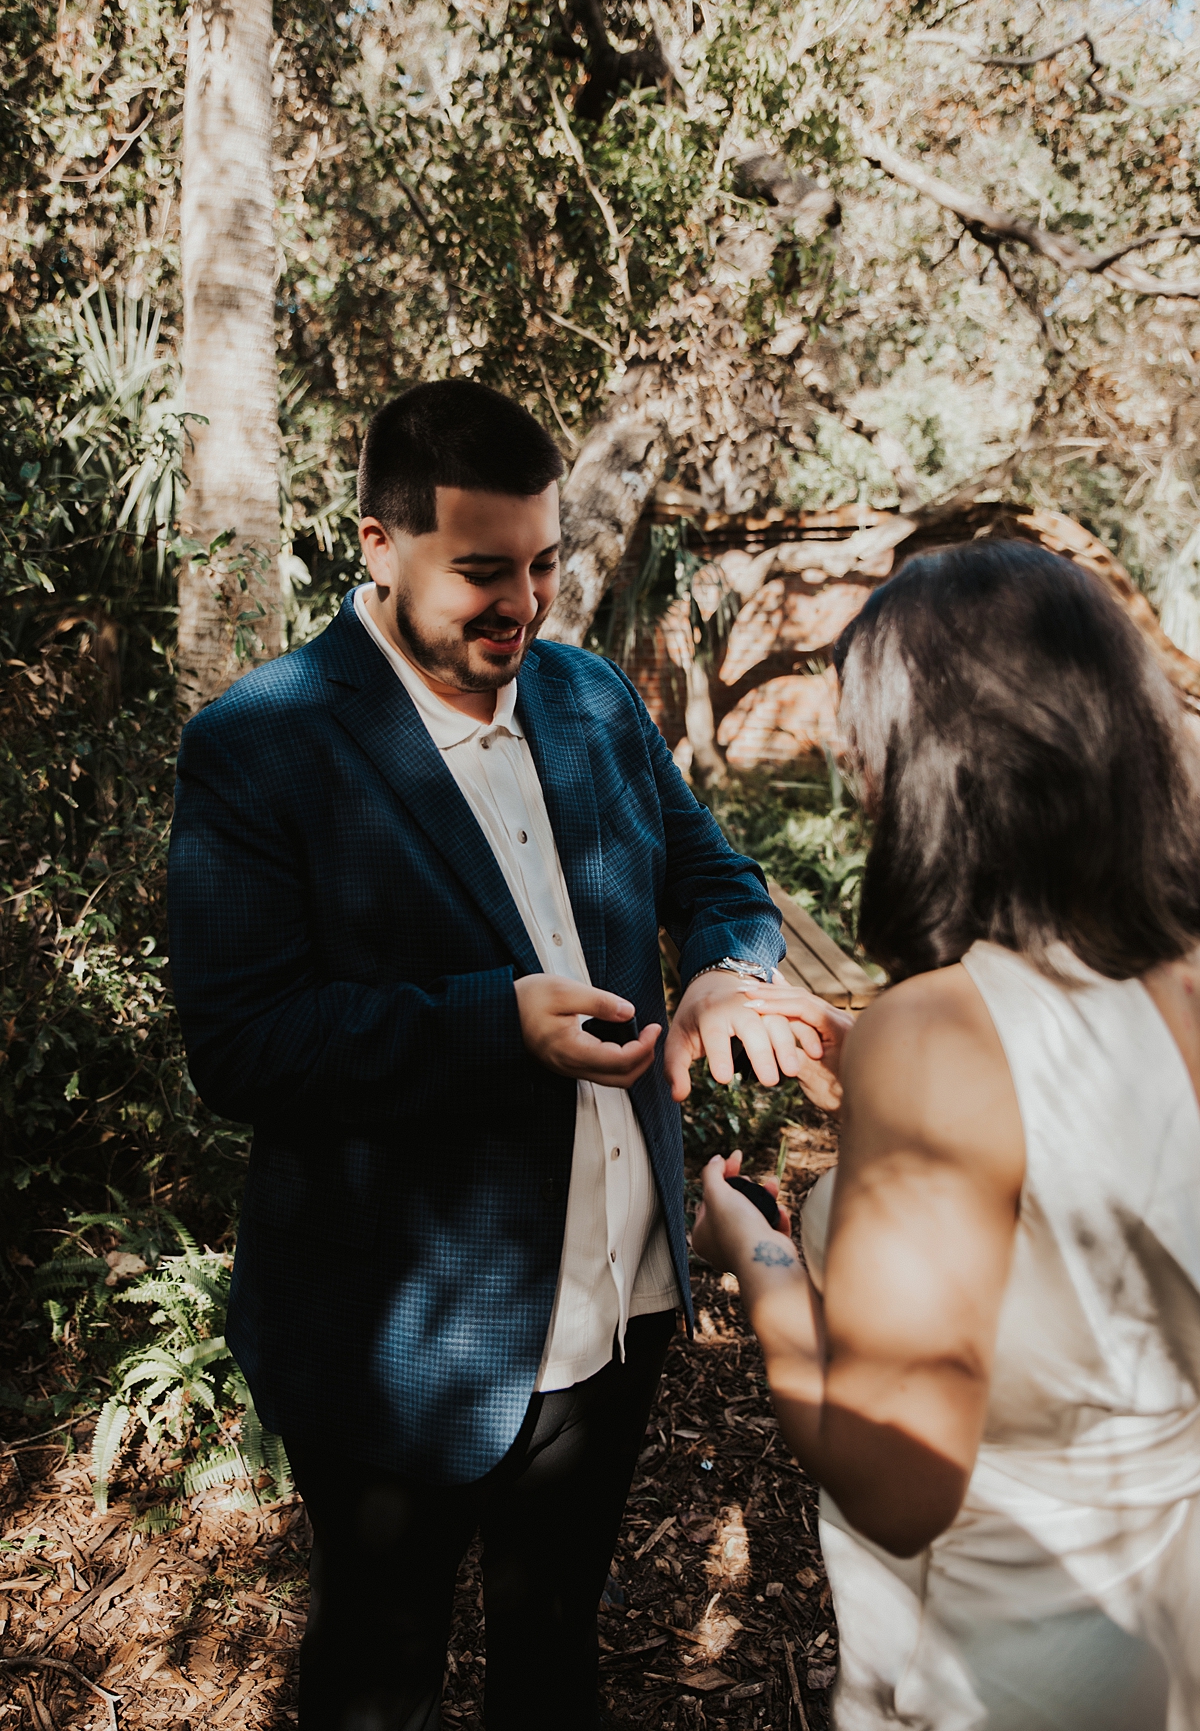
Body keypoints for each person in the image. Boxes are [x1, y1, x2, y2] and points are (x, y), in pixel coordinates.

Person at [168, 378, 842, 1731]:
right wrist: (497, 1023)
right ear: (377, 545)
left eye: (542, 565)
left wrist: (723, 969)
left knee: (554, 1657)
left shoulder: (590, 698)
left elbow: (716, 873)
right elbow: (242, 1047)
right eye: (481, 571)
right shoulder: (261, 747)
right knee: (380, 1673)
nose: (523, 605)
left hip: (621, 1292)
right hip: (400, 1341)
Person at [694, 539, 1200, 1730]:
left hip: (999, 1661)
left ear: (940, 763)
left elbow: (897, 1480)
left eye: (865, 734)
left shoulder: (940, 1036)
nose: (849, 763)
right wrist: (876, 1075)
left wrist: (763, 1266)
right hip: (1169, 1625)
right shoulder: (1175, 979)